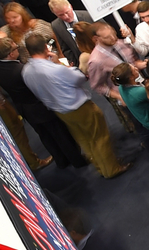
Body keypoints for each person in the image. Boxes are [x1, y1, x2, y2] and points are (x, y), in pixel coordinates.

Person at [21, 34, 127, 177]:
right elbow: (79, 78)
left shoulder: (26, 71)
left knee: (85, 139)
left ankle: (101, 166)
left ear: (28, 50)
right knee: (99, 136)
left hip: (60, 111)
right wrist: (59, 63)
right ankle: (112, 169)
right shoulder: (55, 69)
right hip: (80, 108)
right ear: (46, 48)